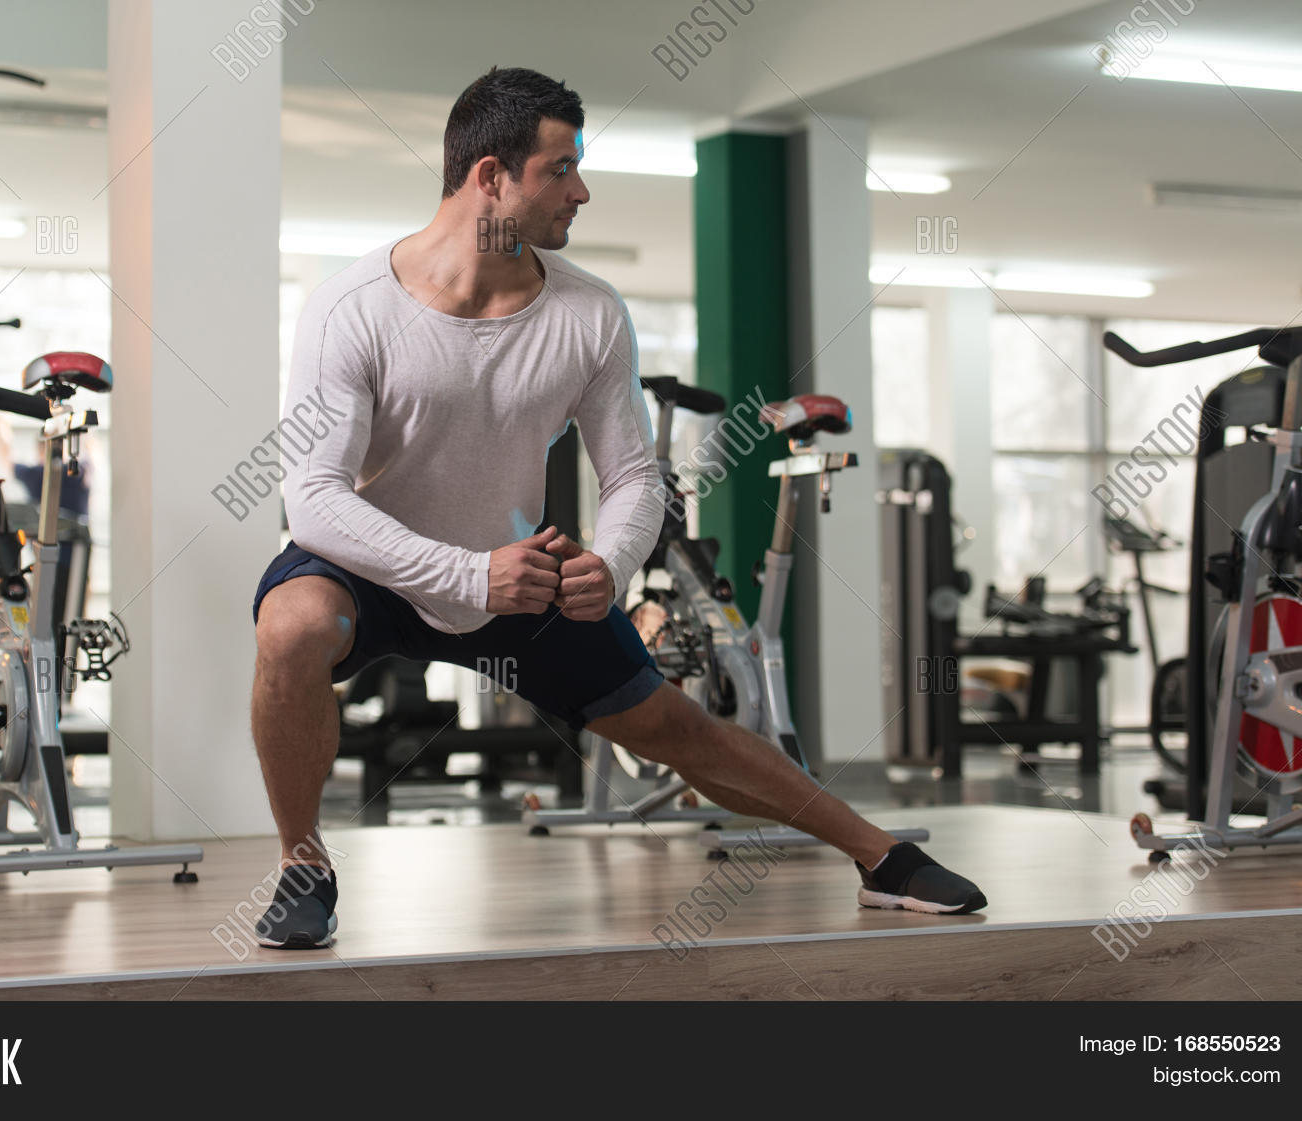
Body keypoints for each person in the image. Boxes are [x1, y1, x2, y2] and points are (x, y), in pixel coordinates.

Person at [250, 66, 986, 949]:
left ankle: (881, 858)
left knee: (675, 725)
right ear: (492, 177)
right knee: (292, 624)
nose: (582, 190)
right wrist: (464, 573)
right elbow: (315, 499)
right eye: (561, 169)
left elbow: (635, 473)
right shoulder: (352, 307)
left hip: (519, 575)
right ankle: (303, 864)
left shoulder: (589, 313)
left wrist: (612, 560)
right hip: (374, 566)